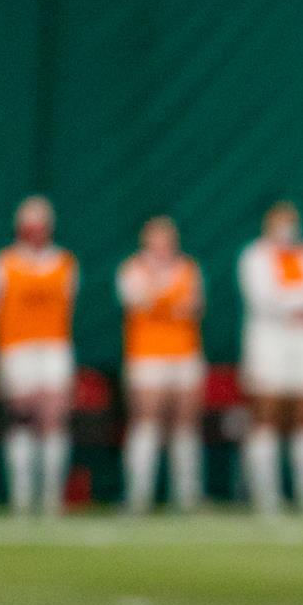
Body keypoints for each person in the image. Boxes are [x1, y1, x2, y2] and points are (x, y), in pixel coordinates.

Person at [238, 201, 303, 515]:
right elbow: (264, 298)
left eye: (291, 222)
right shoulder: (254, 256)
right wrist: (300, 299)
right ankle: (266, 496)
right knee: (267, 415)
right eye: (280, 222)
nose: (286, 229)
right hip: (268, 343)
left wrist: (291, 299)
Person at [0, 195, 77, 516]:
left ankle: (51, 496)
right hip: (17, 348)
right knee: (21, 420)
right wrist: (0, 358)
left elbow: (68, 308)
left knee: (54, 418)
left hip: (53, 347)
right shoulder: (2, 264)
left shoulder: (65, 262)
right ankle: (21, 498)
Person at [118, 216, 206, 513]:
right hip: (146, 355)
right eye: (156, 238)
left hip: (184, 353)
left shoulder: (188, 268)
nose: (162, 245)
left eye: (167, 238)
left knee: (185, 425)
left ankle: (187, 496)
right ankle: (138, 496)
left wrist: (161, 303)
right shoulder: (132, 268)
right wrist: (169, 303)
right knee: (146, 421)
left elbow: (193, 305)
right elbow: (140, 300)